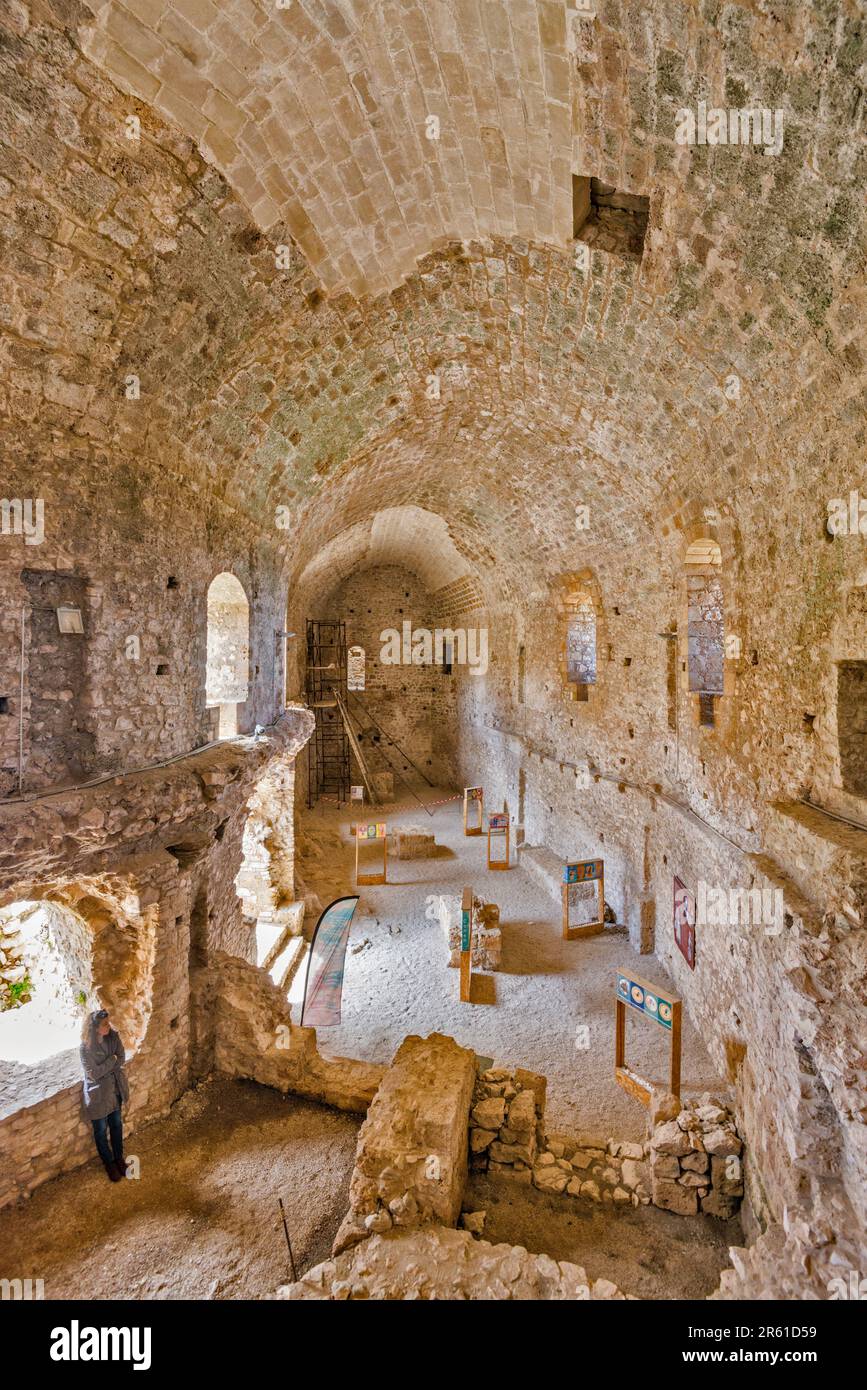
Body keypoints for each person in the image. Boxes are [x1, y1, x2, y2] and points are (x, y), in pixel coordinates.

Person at [80, 1008, 129, 1182]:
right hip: (98, 1095)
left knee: (116, 1125)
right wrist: (111, 1061)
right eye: (105, 1024)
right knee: (100, 1131)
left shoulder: (113, 1036)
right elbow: (94, 1074)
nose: (109, 1026)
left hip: (114, 1090)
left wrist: (109, 1065)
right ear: (95, 1028)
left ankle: (119, 1158)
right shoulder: (85, 1048)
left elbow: (121, 1057)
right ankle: (109, 1163)